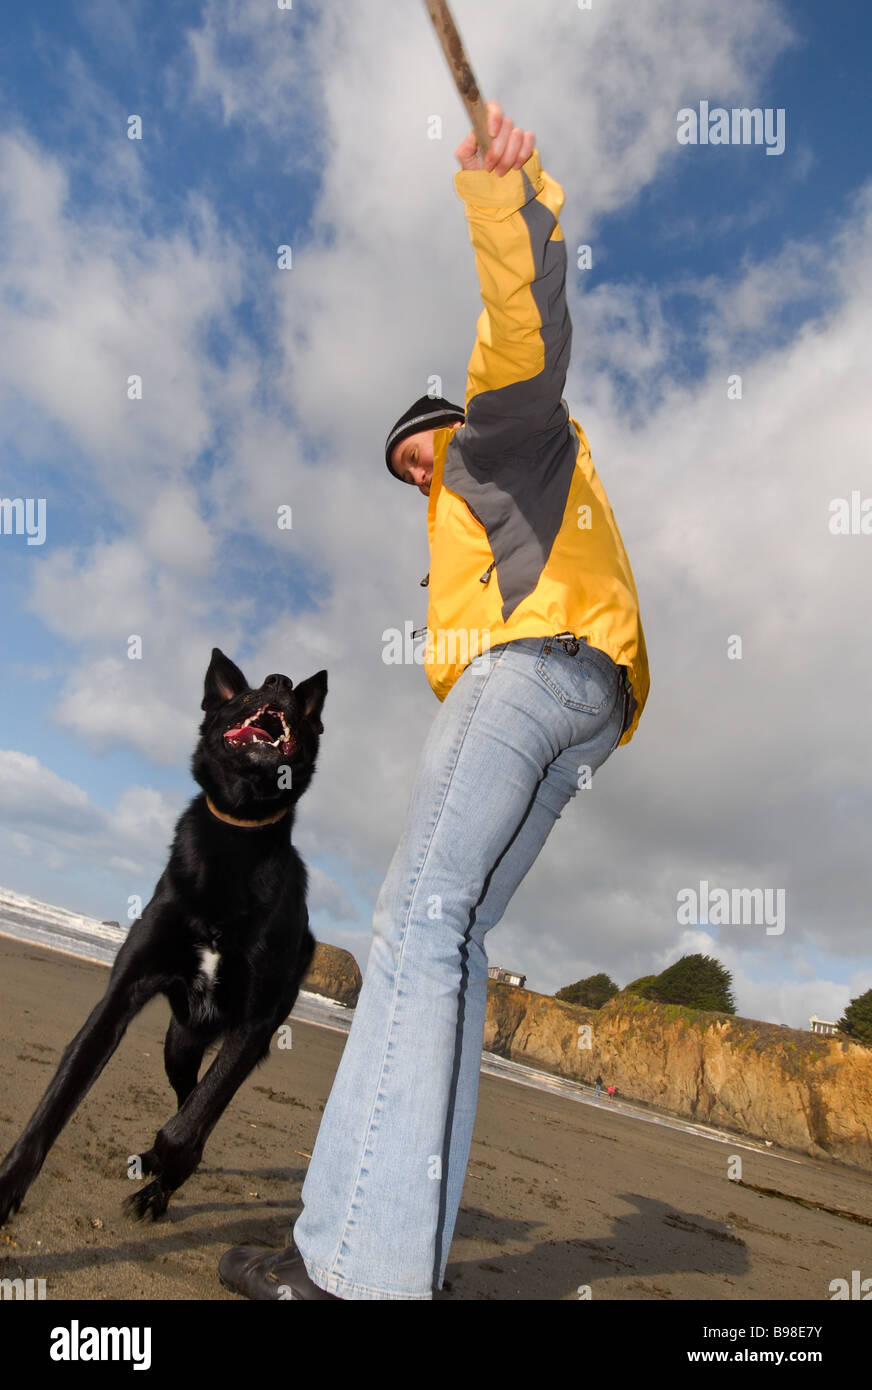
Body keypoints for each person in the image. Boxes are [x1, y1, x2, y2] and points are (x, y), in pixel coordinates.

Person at [219, 100, 649, 1301]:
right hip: (588, 696)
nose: (418, 470)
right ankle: (393, 1263)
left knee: (412, 927)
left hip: (535, 674)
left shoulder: (495, 443)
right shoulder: (484, 507)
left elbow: (524, 330)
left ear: (447, 427)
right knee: (448, 936)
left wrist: (504, 197)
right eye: (406, 468)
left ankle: (352, 1271)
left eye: (420, 447)